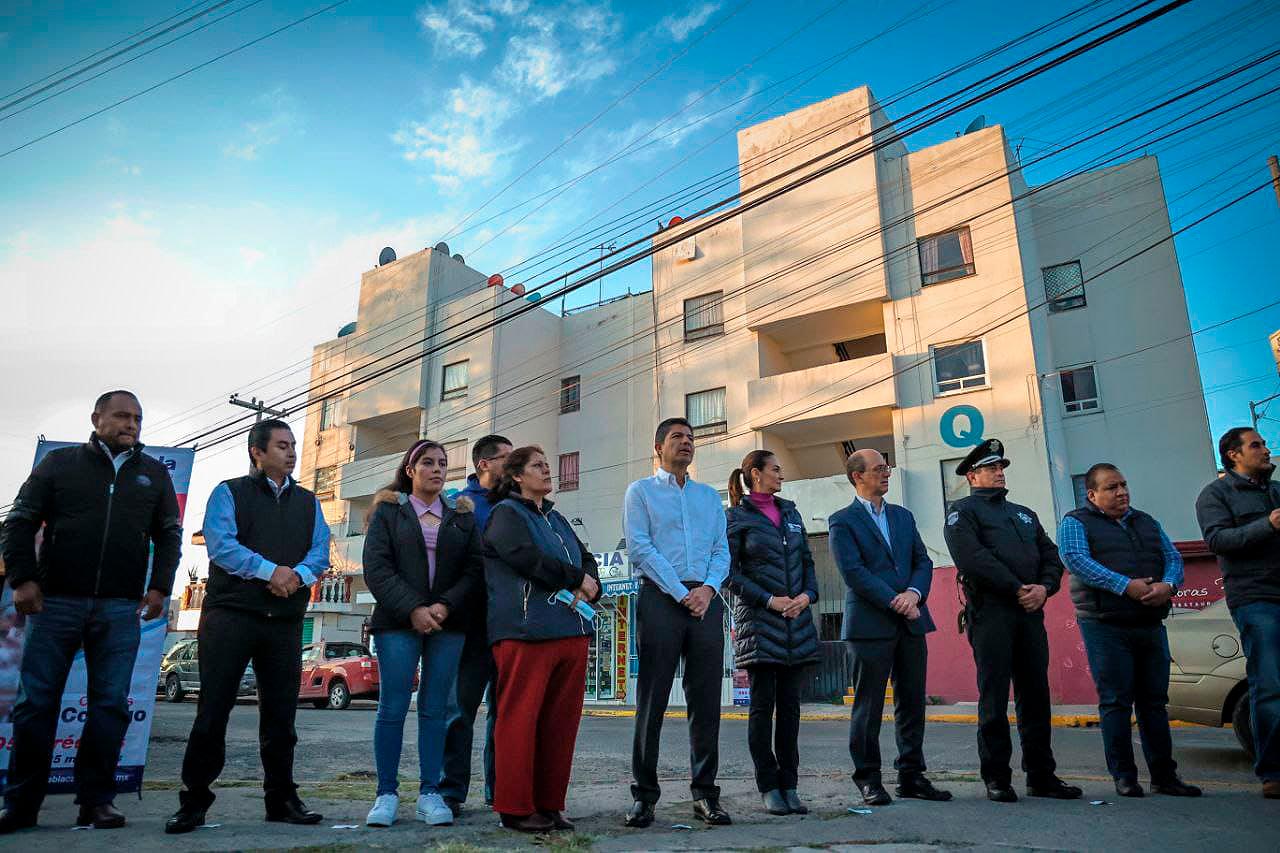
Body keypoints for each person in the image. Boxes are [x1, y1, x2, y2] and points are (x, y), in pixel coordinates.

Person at [0, 391, 181, 835]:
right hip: (55, 602)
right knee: (36, 703)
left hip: (120, 608)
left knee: (110, 706)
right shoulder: (60, 465)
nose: (132, 423)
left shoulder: (153, 474)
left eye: (138, 417)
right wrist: (23, 580)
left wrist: (159, 588)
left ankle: (96, 802)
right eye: (122, 415)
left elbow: (170, 536)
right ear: (97, 417)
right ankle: (22, 804)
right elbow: (19, 522)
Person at [166, 419, 330, 834]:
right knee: (213, 711)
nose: (291, 453)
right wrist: (269, 571)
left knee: (280, 718)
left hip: (284, 621)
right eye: (281, 445)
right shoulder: (229, 492)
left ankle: (281, 799)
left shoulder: (309, 502)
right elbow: (222, 546)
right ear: (256, 452)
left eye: (293, 445)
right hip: (231, 617)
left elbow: (320, 550)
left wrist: (296, 577)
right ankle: (194, 801)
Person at [942, 438, 1081, 803]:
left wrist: (1044, 589)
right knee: (994, 696)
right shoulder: (963, 512)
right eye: (991, 468)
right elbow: (972, 558)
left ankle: (1041, 776)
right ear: (972, 475)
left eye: (1001, 467)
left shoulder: (1024, 514)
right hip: (991, 614)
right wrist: (1017, 586)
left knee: (1035, 695)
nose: (999, 472)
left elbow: (1051, 556)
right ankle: (997, 778)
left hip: (1030, 613)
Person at [1059, 463, 1201, 798]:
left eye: (1123, 485)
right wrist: (1126, 586)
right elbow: (1076, 559)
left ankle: (1165, 777)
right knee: (1115, 702)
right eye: (1111, 487)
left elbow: (1173, 558)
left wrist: (1169, 585)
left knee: (1154, 702)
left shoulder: (1146, 521)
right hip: (1105, 625)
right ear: (1092, 494)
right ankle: (1124, 776)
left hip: (1150, 623)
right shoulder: (1075, 522)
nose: (1121, 492)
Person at [362, 439, 484, 827]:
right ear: (410, 470)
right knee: (392, 708)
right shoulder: (388, 512)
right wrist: (413, 608)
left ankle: (431, 793)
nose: (436, 469)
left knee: (436, 710)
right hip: (398, 623)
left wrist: (443, 606)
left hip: (448, 624)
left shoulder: (461, 516)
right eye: (427, 462)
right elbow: (377, 568)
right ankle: (386, 794)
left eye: (443, 463)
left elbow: (473, 569)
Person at [483, 446, 601, 832]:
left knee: (560, 724)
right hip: (526, 631)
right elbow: (524, 558)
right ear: (517, 476)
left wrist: (589, 583)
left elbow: (587, 560)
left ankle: (549, 803)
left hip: (571, 630)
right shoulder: (506, 514)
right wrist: (573, 579)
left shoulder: (557, 517)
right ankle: (515, 807)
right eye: (538, 466)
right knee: (520, 719)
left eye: (548, 465)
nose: (547, 470)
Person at [624, 417, 732, 828]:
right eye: (677, 438)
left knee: (706, 702)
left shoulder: (708, 497)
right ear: (658, 447)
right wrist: (679, 591)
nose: (686, 443)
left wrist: (706, 590)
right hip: (660, 599)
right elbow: (639, 547)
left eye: (690, 438)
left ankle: (705, 795)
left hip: (706, 602)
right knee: (651, 700)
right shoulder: (641, 492)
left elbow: (721, 550)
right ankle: (644, 796)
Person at [829, 448, 951, 808]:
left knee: (912, 702)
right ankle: (868, 779)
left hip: (911, 623)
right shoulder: (842, 521)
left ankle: (911, 775)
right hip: (870, 626)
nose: (886, 474)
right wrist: (894, 600)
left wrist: (913, 594)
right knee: (868, 707)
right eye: (879, 469)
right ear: (858, 476)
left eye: (887, 468)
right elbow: (853, 571)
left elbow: (922, 560)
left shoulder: (903, 516)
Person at [725, 450, 820, 816]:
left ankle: (790, 785)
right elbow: (729, 574)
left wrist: (806, 597)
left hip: (796, 624)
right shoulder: (736, 518)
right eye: (775, 469)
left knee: (792, 710)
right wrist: (769, 601)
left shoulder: (792, 514)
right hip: (760, 626)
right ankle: (769, 786)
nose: (781, 475)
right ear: (755, 474)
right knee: (762, 710)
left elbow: (808, 564)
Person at [1195, 427, 1280, 799]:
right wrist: (1268, 524)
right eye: (1256, 445)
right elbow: (1218, 541)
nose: (1265, 449)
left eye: (1263, 444)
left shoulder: (1276, 491)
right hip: (1257, 598)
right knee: (1271, 684)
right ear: (1233, 455)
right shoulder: (1215, 495)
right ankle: (1274, 771)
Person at [439, 433, 511, 816]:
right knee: (459, 709)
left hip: (508, 624)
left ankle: (500, 790)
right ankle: (451, 791)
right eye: (506, 459)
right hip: (467, 624)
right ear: (484, 464)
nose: (512, 466)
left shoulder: (514, 504)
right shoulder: (457, 505)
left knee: (505, 712)